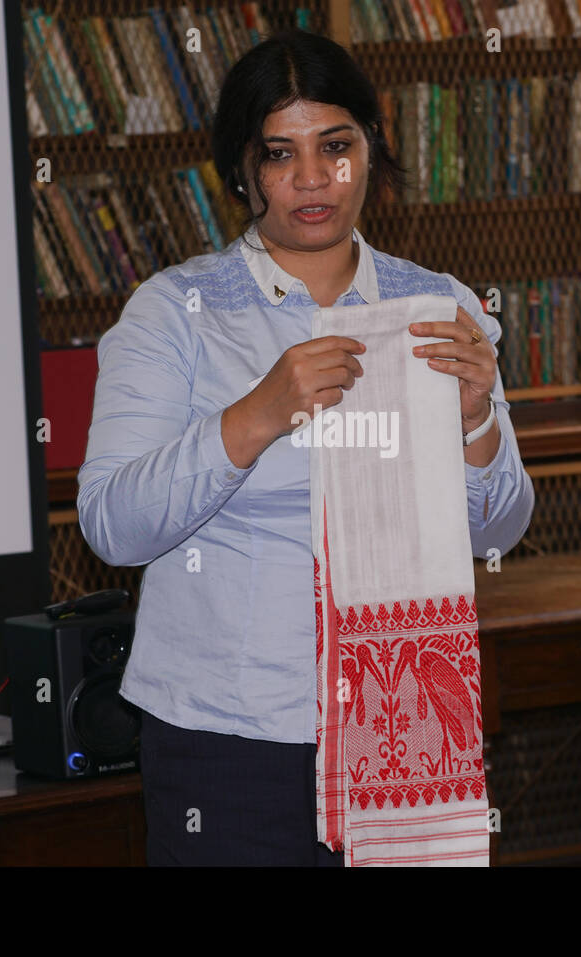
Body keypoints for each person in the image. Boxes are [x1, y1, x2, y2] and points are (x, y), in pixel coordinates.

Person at [77, 28, 534, 866]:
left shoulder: (438, 305)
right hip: (232, 735)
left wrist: (476, 419)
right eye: (280, 154)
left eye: (336, 146)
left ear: (372, 149)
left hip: (408, 715)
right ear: (243, 170)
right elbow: (112, 526)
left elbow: (496, 532)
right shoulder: (174, 311)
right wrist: (255, 416)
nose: (314, 178)